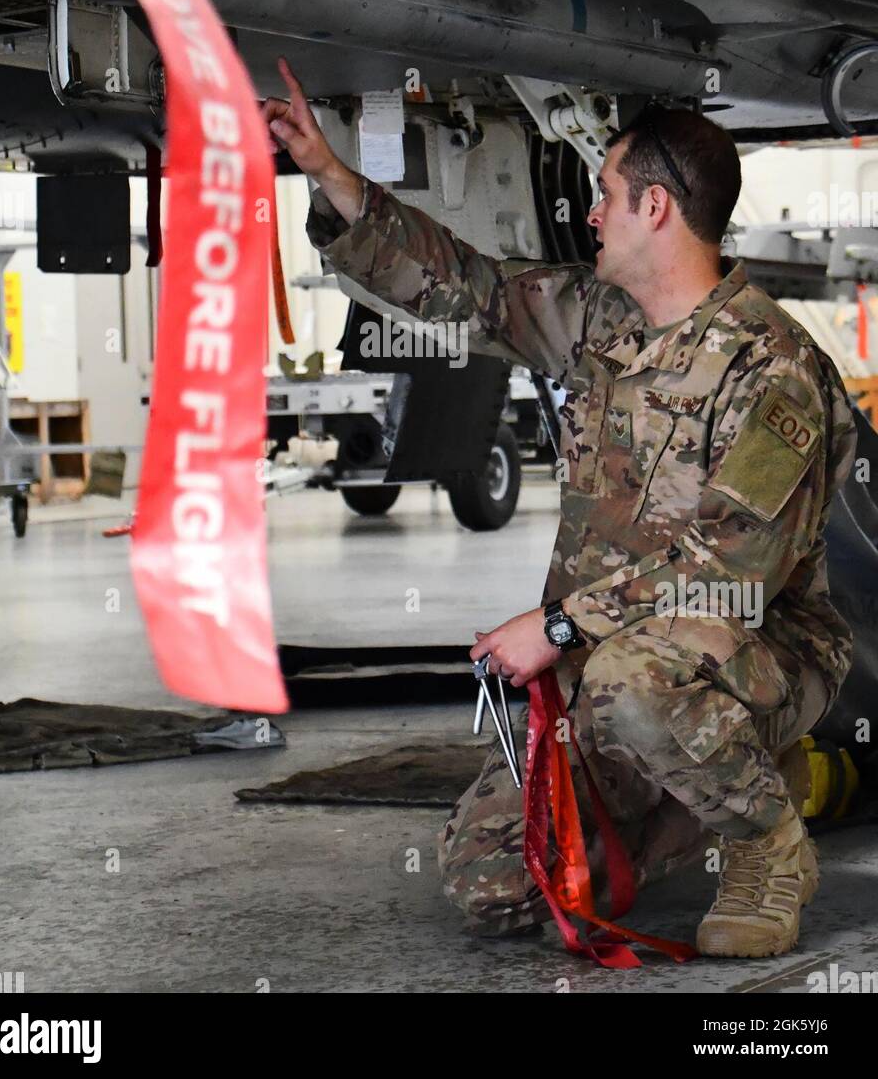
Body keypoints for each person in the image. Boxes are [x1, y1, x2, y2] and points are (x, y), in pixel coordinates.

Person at [264, 57, 857, 959]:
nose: (589, 211)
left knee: (632, 687)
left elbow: (735, 569)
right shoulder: (600, 317)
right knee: (490, 877)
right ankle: (705, 790)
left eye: (606, 192)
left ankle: (764, 844)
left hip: (761, 650)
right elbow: (465, 284)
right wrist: (332, 176)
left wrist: (559, 626)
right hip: (616, 667)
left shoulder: (769, 367)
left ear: (655, 209)